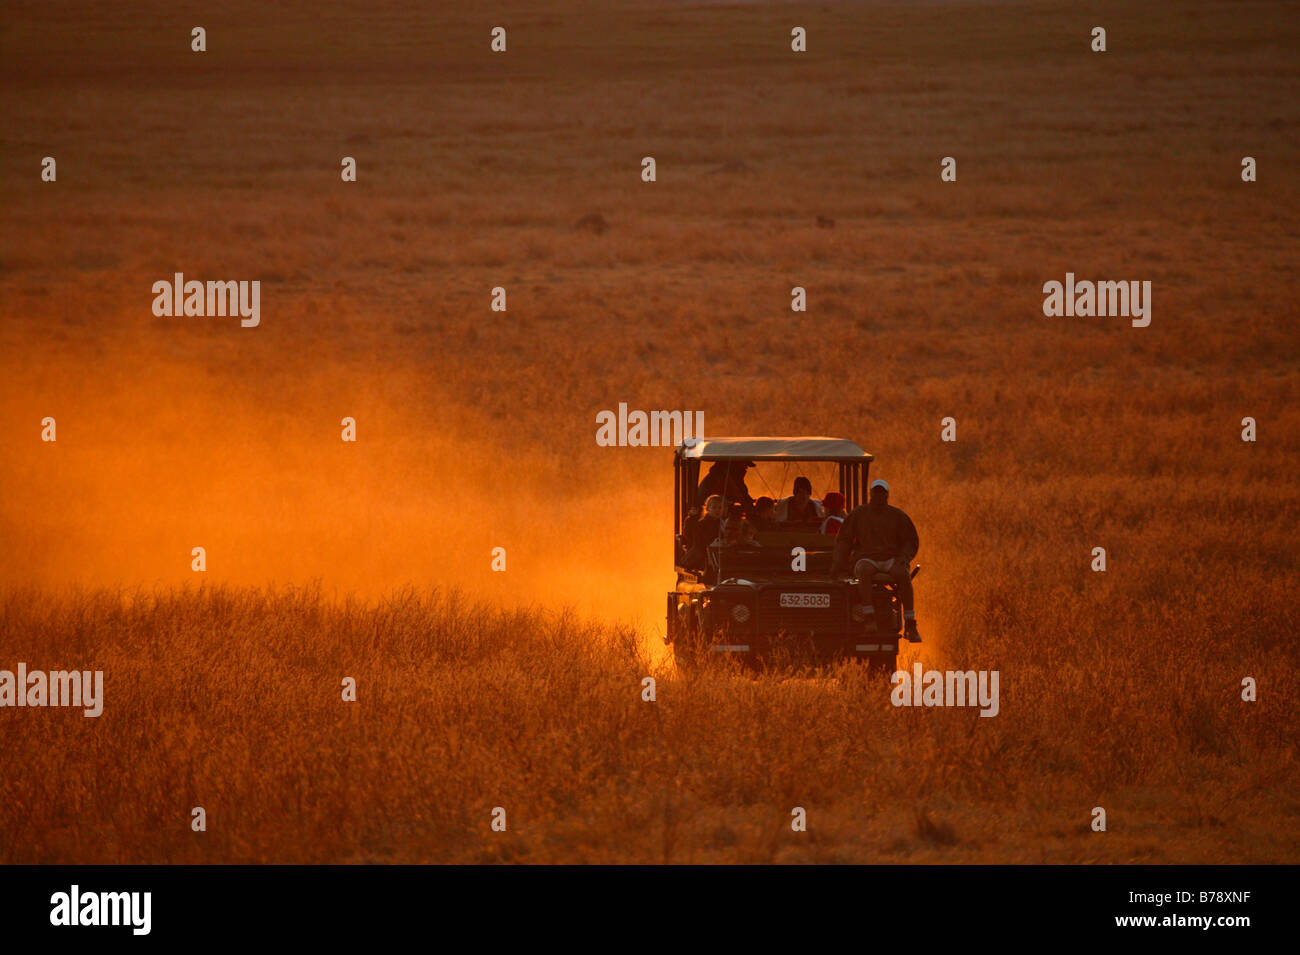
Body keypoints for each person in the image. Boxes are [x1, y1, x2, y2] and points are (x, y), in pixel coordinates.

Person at [830, 479, 921, 642]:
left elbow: (911, 541)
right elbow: (844, 540)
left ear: (887, 495)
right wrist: (838, 564)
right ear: (870, 494)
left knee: (903, 574)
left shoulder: (898, 516)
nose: (879, 496)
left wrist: (903, 559)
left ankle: (910, 624)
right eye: (876, 493)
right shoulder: (858, 514)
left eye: (882, 493)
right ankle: (869, 616)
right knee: (864, 571)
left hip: (890, 559)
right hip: (866, 558)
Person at [682, 494, 724, 570]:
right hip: (703, 555)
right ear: (707, 508)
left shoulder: (721, 523)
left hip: (717, 553)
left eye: (720, 508)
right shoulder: (702, 523)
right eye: (714, 507)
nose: (717, 510)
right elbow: (697, 542)